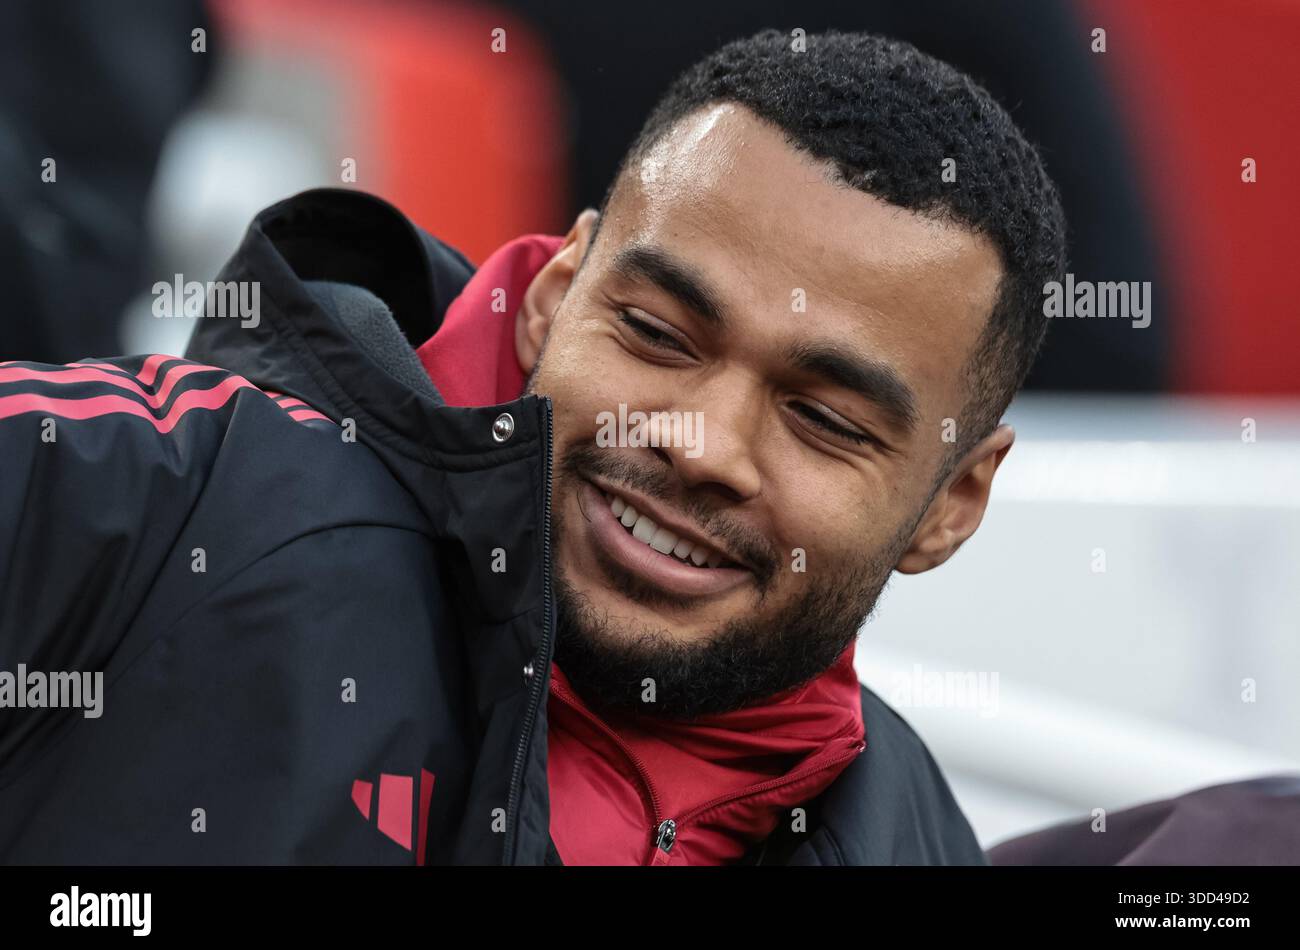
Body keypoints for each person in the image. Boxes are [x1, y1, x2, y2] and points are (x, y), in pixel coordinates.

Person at [0, 29, 1064, 865]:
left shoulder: (909, 839)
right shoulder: (139, 497)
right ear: (556, 297)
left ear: (952, 502)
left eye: (824, 418)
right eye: (655, 334)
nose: (700, 446)